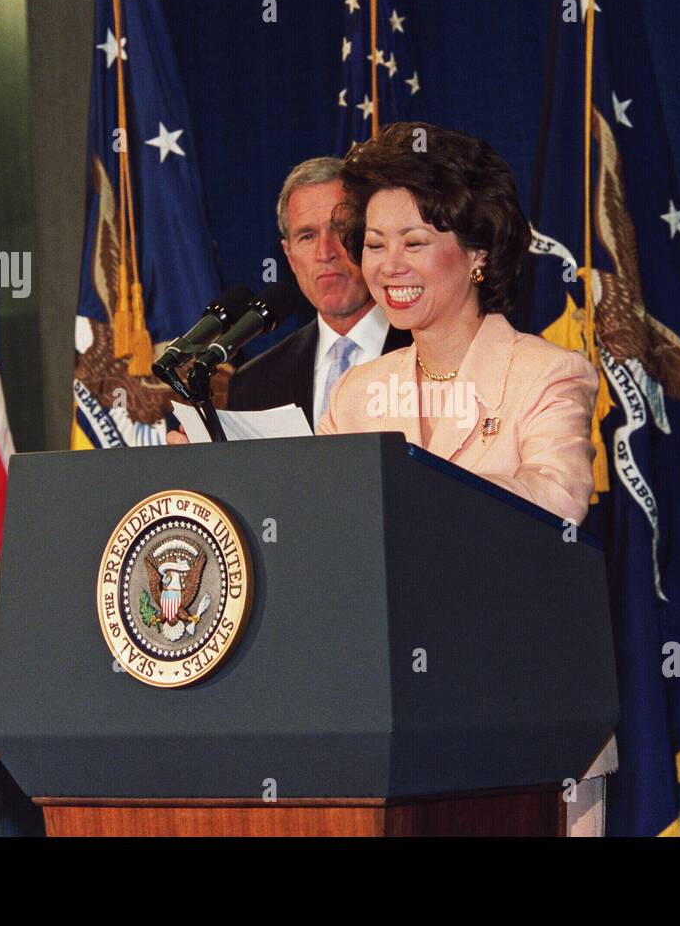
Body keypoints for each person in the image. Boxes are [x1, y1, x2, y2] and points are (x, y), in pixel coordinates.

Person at [317, 121, 616, 834]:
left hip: (528, 727)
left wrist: (410, 502)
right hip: (386, 738)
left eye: (415, 242)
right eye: (375, 243)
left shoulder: (546, 373)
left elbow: (558, 512)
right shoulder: (359, 392)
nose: (389, 266)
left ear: (477, 254)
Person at [226, 156, 411, 428]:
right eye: (307, 236)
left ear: (371, 238)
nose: (325, 253)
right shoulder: (252, 386)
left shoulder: (429, 356)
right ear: (289, 257)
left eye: (340, 229)